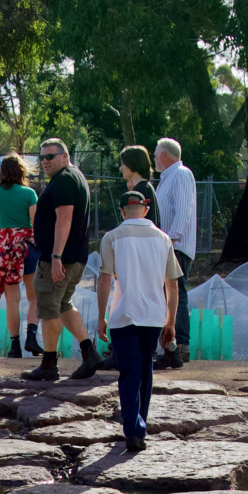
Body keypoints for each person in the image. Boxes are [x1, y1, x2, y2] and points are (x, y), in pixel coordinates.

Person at [91, 182, 180, 452]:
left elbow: (105, 277)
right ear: (145, 209)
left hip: (123, 313)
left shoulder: (112, 237)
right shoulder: (162, 238)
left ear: (122, 211)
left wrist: (101, 316)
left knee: (129, 371)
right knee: (145, 371)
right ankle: (140, 424)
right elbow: (172, 284)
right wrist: (171, 322)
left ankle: (133, 430)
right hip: (153, 315)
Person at [25, 137, 97, 381]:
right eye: (42, 157)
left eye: (50, 156)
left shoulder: (65, 179)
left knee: (48, 308)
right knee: (64, 304)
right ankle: (89, 352)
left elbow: (64, 219)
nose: (45, 161)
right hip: (74, 257)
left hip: (61, 259)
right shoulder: (73, 176)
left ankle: (49, 364)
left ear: (65, 157)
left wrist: (56, 256)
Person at [0, 152, 38, 358]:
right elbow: (35, 224)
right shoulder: (29, 194)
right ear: (21, 171)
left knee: (12, 300)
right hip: (27, 246)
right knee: (35, 296)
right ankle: (32, 337)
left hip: (5, 248)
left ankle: (14, 345)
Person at [154, 137, 198, 367]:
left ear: (164, 155)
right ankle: (169, 345)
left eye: (155, 154)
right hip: (170, 244)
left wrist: (170, 238)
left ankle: (180, 345)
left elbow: (183, 210)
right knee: (167, 295)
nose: (153, 159)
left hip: (175, 246)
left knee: (175, 293)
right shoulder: (167, 178)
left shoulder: (181, 174)